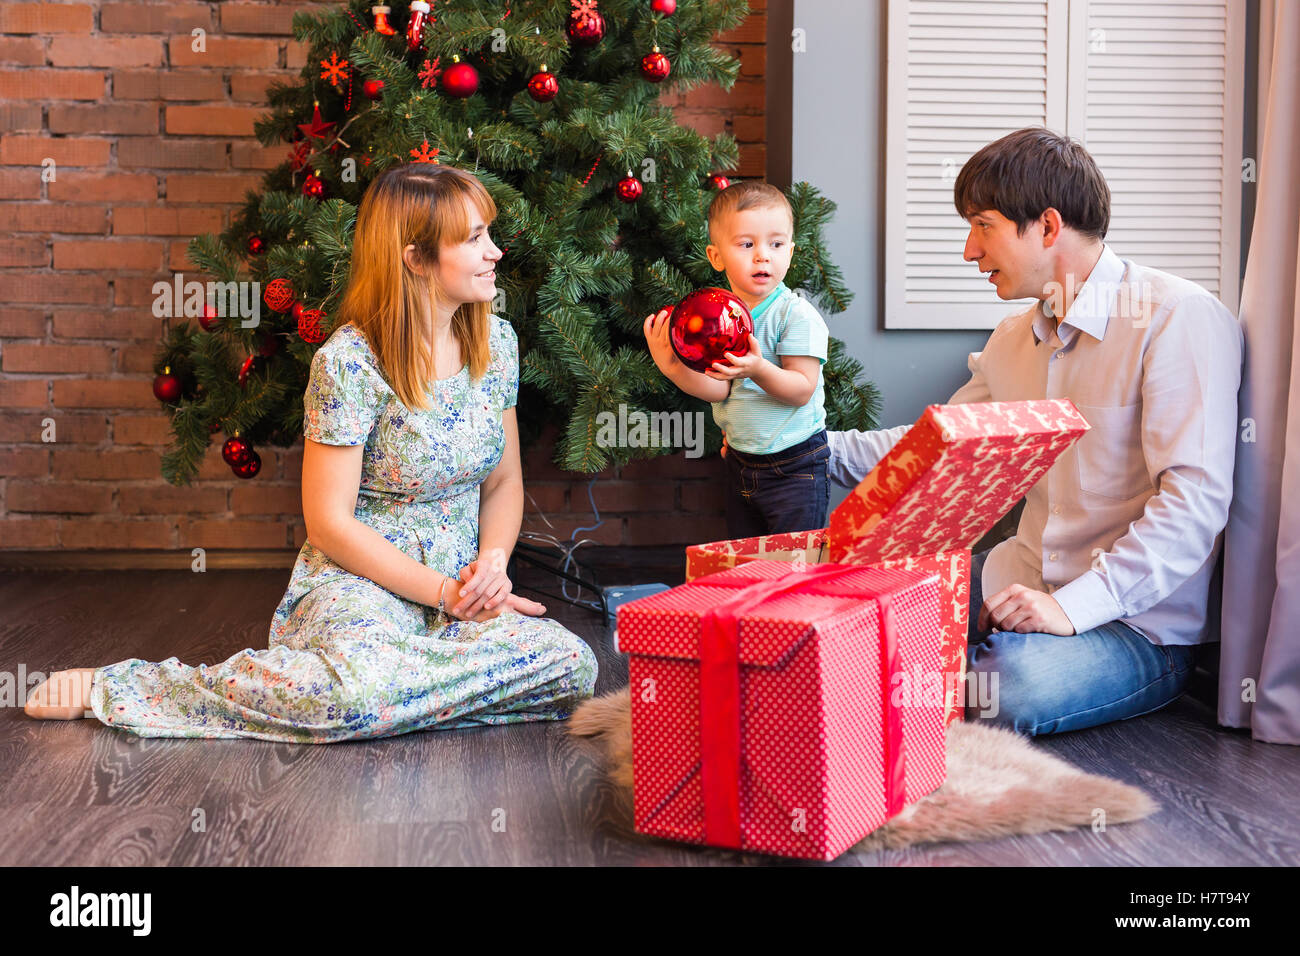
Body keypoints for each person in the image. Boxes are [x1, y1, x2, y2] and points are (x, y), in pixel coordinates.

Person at [24, 163, 598, 740]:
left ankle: (393, 700)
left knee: (572, 666)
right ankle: (129, 688)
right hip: (362, 586)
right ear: (415, 257)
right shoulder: (348, 364)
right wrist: (445, 596)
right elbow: (329, 524)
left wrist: (492, 569)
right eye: (475, 240)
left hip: (464, 587)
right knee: (348, 693)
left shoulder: (496, 343)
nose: (495, 252)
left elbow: (502, 484)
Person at [828, 127, 1243, 736]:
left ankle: (914, 681)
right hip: (1014, 579)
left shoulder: (1177, 318)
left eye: (983, 225)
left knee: (1008, 689)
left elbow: (1194, 508)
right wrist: (813, 449)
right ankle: (902, 675)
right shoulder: (1011, 339)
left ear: (1047, 228)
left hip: (1133, 625)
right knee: (855, 607)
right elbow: (933, 447)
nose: (970, 250)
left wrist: (1068, 608)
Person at [643, 181, 831, 538]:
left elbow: (801, 389)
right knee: (746, 558)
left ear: (790, 253)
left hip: (796, 465)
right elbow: (718, 390)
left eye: (776, 245)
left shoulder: (796, 315)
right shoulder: (718, 316)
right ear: (716, 257)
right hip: (741, 462)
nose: (763, 256)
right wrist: (671, 365)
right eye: (747, 244)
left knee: (794, 564)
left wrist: (758, 368)